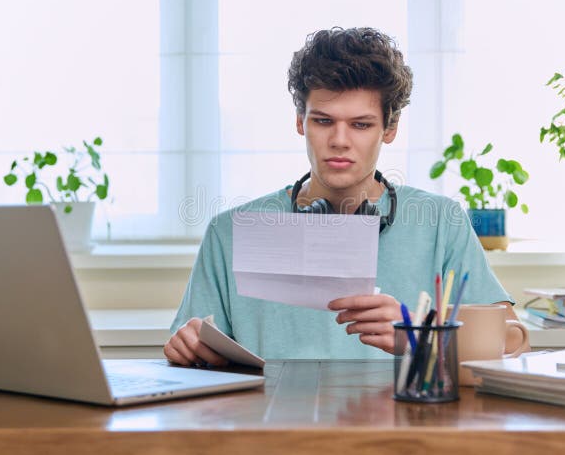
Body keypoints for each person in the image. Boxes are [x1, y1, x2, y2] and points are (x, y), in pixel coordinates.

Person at [164, 27, 526, 366]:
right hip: (272, 427)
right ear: (299, 122)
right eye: (323, 121)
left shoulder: (440, 223)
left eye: (361, 124)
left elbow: (515, 343)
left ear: (390, 128)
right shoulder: (228, 232)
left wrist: (423, 335)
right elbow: (195, 351)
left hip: (402, 427)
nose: (339, 140)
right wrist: (188, 347)